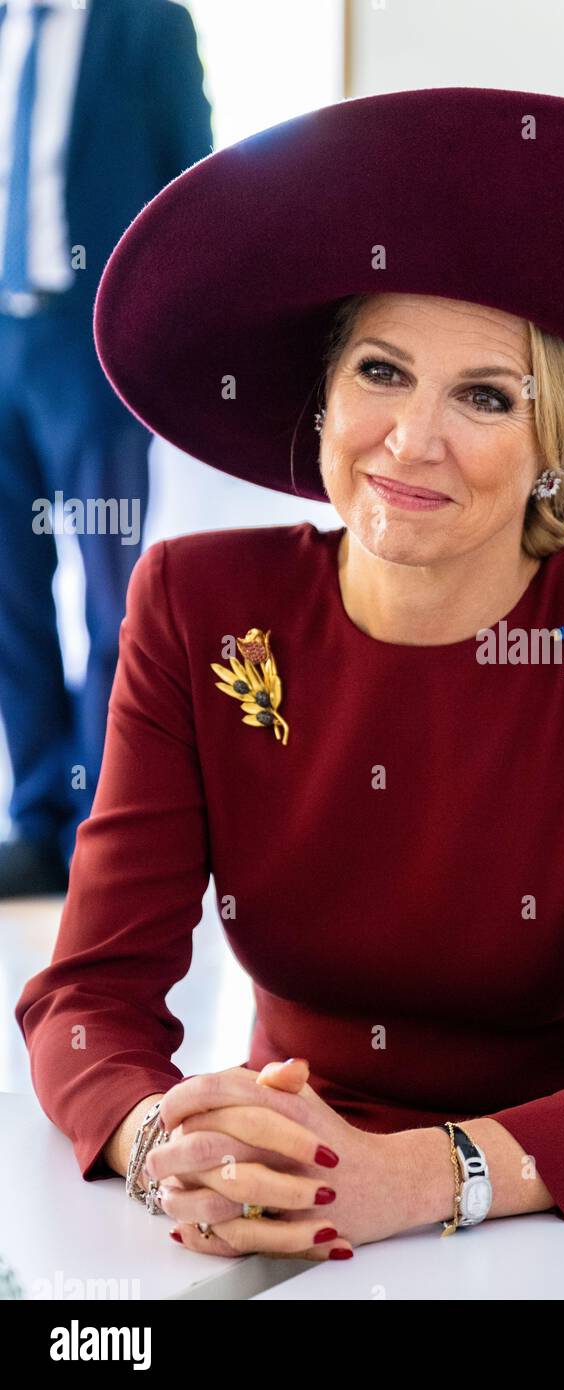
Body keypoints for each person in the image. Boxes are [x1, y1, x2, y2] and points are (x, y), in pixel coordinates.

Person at [16, 87, 564, 1259]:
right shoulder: (196, 604)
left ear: (555, 447)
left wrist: (423, 1176)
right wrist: (161, 1138)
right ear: (323, 395)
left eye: (485, 396)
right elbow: (86, 999)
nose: (411, 439)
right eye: (380, 372)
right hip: (302, 1169)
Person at [0, 0, 211, 895]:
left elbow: (193, 191)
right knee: (7, 597)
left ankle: (104, 830)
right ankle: (39, 819)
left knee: (108, 592)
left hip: (92, 349)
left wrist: (160, 341)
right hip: (2, 340)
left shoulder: (147, 24)